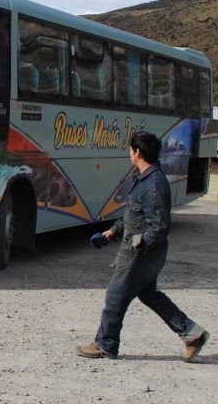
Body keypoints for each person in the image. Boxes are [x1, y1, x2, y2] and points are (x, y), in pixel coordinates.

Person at [77, 130, 210, 362]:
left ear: (137, 152)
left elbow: (159, 225)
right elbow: (133, 215)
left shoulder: (154, 184)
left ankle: (105, 344)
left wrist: (140, 245)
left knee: (116, 295)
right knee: (149, 295)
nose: (130, 153)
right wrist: (112, 232)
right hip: (144, 250)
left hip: (141, 252)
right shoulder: (145, 179)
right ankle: (192, 334)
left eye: (130, 150)